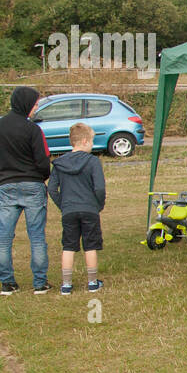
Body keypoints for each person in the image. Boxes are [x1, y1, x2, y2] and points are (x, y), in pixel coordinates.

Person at [0, 86, 51, 295]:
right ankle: (40, 283)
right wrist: (41, 177)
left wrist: (3, 175)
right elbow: (43, 160)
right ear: (26, 104)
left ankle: (7, 282)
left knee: (4, 236)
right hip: (32, 185)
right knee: (37, 236)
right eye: (35, 104)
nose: (36, 107)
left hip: (7, 186)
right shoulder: (33, 130)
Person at [47, 122, 106, 294]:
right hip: (89, 209)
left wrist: (62, 205)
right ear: (86, 141)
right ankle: (93, 282)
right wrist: (98, 204)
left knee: (68, 245)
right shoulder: (93, 162)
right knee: (90, 245)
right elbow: (100, 188)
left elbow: (51, 189)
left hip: (69, 210)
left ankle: (66, 284)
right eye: (93, 142)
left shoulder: (59, 163)